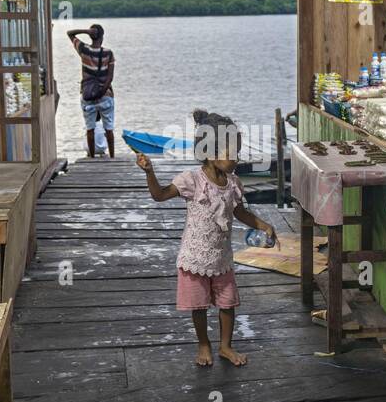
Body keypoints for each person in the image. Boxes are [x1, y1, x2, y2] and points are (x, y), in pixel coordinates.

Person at [135, 109, 278, 367]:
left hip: (221, 257)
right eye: (231, 153)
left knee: (228, 303)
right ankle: (204, 344)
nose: (236, 158)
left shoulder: (233, 182)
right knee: (198, 305)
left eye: (238, 152)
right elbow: (159, 195)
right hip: (195, 258)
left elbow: (239, 211)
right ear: (210, 153)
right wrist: (150, 172)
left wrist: (263, 224)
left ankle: (225, 346)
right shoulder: (192, 180)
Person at [68, 23, 115, 158]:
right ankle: (112, 156)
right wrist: (101, 92)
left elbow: (70, 33)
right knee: (109, 128)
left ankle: (92, 157)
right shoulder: (108, 53)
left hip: (87, 95)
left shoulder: (84, 50)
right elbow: (110, 77)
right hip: (106, 95)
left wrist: (85, 31)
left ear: (91, 36)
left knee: (90, 128)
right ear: (102, 37)